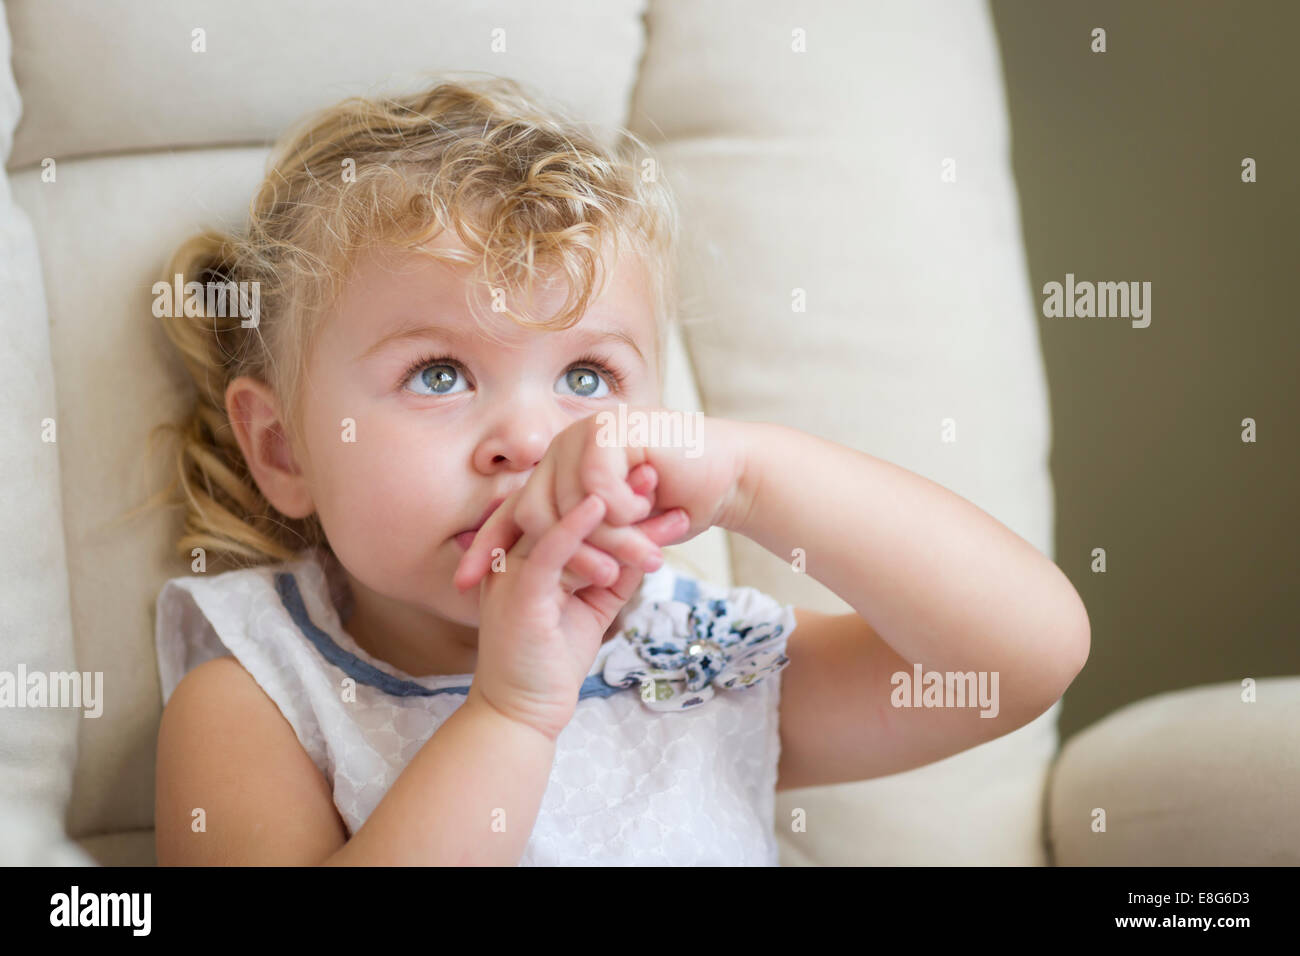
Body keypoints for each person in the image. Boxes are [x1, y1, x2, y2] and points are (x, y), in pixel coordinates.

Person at [149, 74, 1089, 866]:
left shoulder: (686, 657)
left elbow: (1021, 659)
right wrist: (513, 714)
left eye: (587, 376)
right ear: (282, 450)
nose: (528, 440)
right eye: (438, 374)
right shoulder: (259, 695)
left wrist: (750, 477)